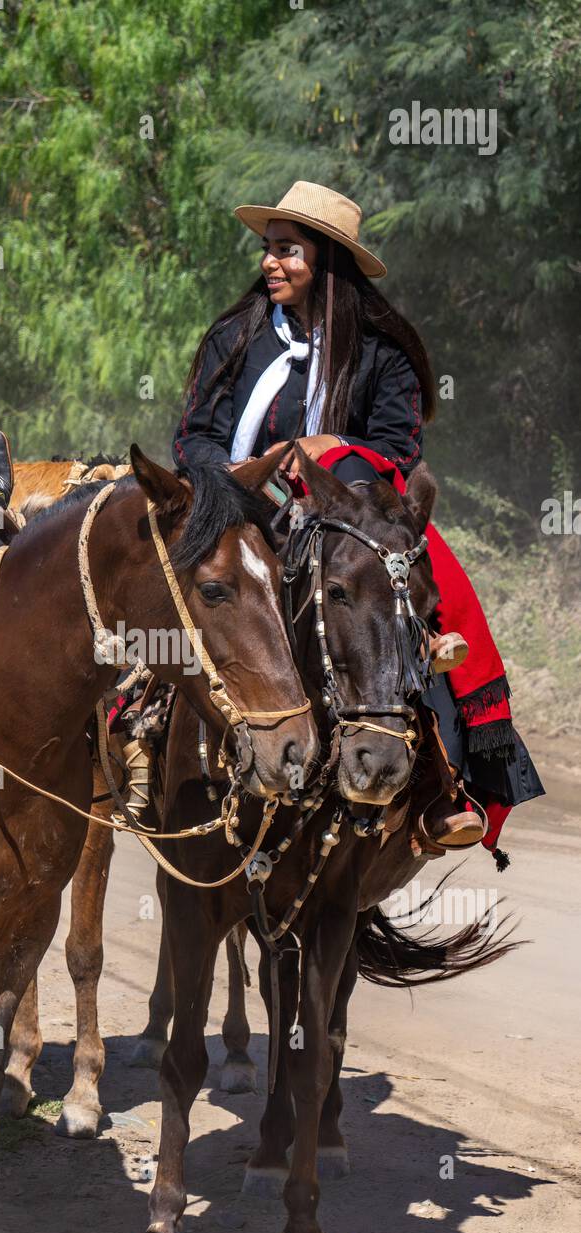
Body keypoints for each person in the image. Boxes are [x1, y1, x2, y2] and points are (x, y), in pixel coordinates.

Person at [170, 180, 543, 862]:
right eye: (268, 249)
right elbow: (194, 433)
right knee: (151, 571)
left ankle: (443, 783)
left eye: (288, 251)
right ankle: (122, 734)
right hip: (242, 510)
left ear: (327, 262)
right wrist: (232, 480)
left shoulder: (381, 351)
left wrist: (331, 454)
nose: (271, 263)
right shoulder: (236, 335)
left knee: (424, 599)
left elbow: (401, 450)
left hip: (347, 517)